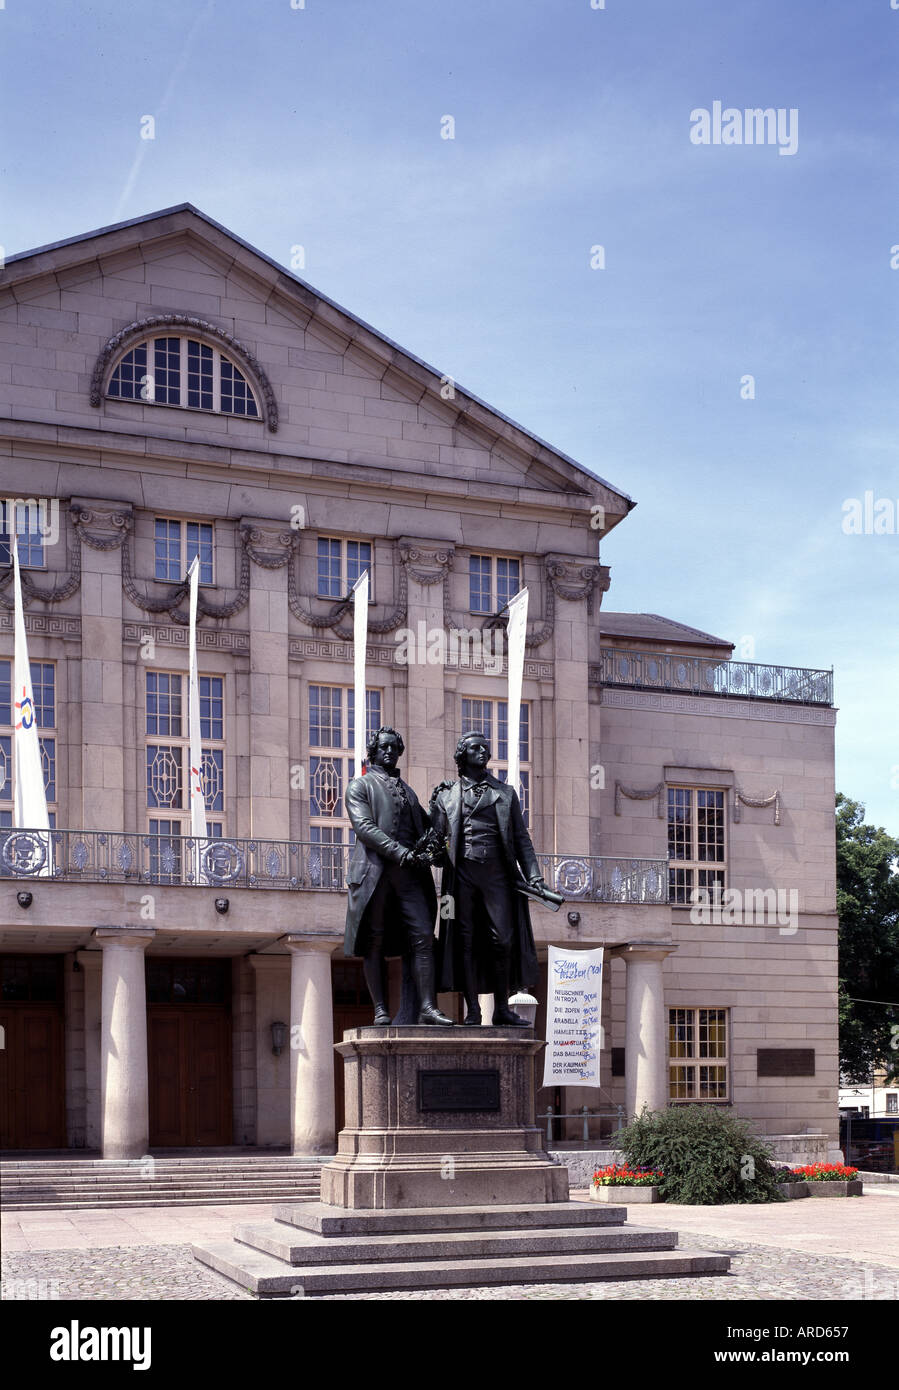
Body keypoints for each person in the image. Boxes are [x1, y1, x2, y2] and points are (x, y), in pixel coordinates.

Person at [430, 731, 544, 1026]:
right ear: (462, 754)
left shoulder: (505, 793)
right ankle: (473, 1010)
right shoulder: (447, 795)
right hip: (462, 877)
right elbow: (436, 843)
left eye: (485, 748)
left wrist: (534, 875)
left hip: (497, 876)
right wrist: (433, 815)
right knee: (464, 942)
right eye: (475, 748)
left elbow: (521, 839)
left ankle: (502, 1008)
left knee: (503, 941)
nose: (483, 752)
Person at [343, 726, 453, 1026]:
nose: (389, 752)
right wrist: (400, 852)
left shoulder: (407, 791)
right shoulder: (360, 786)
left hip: (410, 878)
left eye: (394, 747)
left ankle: (428, 1007)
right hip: (375, 875)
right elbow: (364, 828)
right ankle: (380, 1009)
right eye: (384, 747)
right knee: (373, 940)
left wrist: (441, 804)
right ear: (373, 751)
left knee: (422, 937)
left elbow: (427, 830)